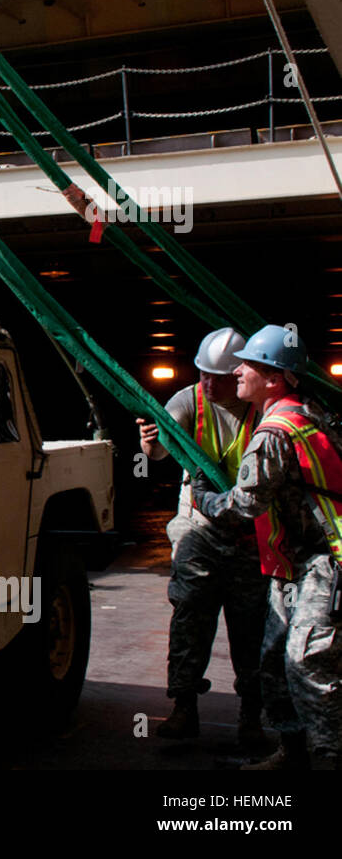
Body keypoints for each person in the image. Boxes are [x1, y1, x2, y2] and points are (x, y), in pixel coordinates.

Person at [191, 325, 342, 769]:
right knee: (273, 659)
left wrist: (204, 498)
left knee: (307, 660)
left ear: (272, 378)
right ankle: (291, 749)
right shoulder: (307, 412)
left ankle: (330, 756)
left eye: (247, 366)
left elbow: (244, 506)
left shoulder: (274, 432)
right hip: (295, 563)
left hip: (326, 562)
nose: (236, 371)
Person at [137, 327, 266, 745]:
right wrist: (149, 445)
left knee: (252, 625)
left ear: (240, 374)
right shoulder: (188, 401)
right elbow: (157, 452)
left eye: (219, 376)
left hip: (249, 527)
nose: (208, 384)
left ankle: (252, 716)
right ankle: (183, 707)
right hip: (201, 526)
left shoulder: (261, 407)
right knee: (190, 612)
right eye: (203, 373)